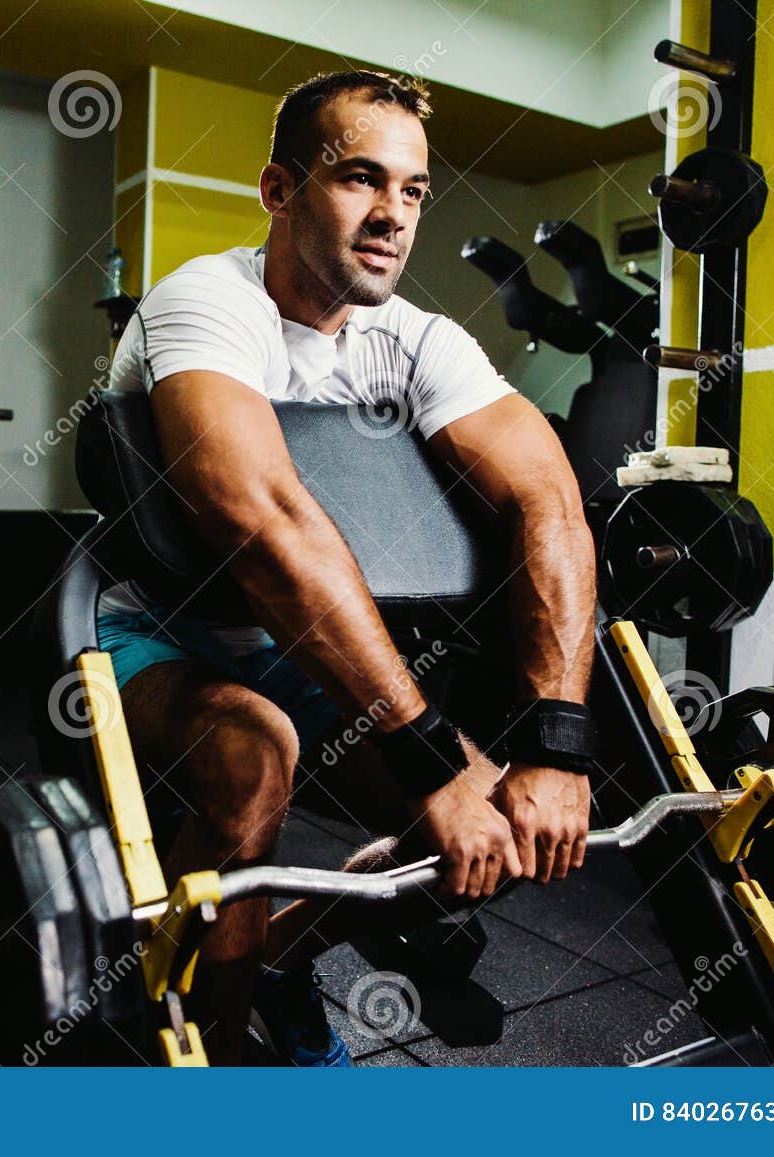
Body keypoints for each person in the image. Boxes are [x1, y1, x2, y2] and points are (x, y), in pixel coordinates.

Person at [101, 70, 598, 1067]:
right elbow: (265, 522)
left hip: (299, 643)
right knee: (257, 754)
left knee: (490, 825)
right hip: (148, 633)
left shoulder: (417, 341)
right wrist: (424, 759)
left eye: (412, 190)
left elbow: (549, 501)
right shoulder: (203, 302)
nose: (392, 215)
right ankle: (214, 1048)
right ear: (279, 190)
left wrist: (556, 742)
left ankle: (272, 957)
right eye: (359, 179)